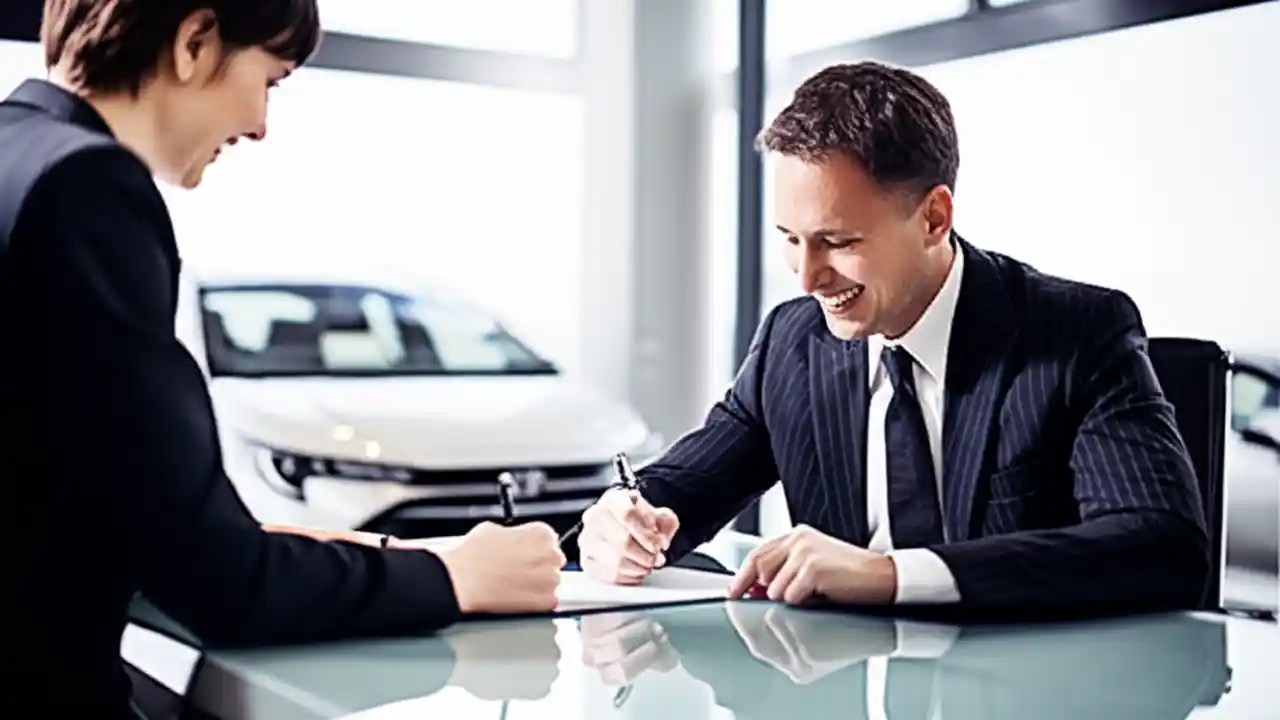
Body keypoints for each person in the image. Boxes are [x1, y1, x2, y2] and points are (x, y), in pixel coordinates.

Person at [0, 1, 563, 715]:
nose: (261, 125)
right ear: (195, 40)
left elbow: (83, 498)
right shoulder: (86, 188)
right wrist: (455, 576)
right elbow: (217, 579)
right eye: (271, 80)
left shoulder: (17, 152)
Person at [576, 61, 1208, 612]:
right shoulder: (791, 343)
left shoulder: (1076, 333)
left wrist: (891, 575)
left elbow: (1162, 546)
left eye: (838, 241)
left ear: (934, 217)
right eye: (791, 239)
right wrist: (623, 522)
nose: (807, 278)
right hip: (842, 681)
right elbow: (682, 490)